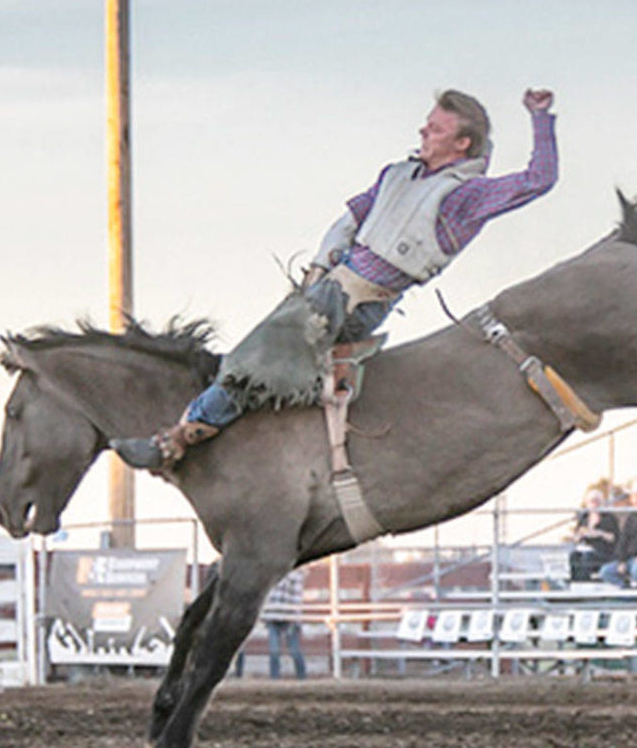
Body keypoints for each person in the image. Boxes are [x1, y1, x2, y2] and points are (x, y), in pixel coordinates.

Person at [114, 88, 559, 470]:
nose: (423, 133)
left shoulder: (465, 196)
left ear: (462, 144)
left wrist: (540, 118)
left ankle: (175, 441)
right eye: (426, 125)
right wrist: (318, 268)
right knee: (256, 353)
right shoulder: (397, 174)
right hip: (327, 285)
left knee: (260, 359)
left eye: (436, 130)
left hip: (360, 301)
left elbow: (539, 180)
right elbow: (351, 218)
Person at [263, 569, 307, 680]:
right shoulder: (274, 573)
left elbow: (297, 597)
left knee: (293, 651)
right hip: (274, 615)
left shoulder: (294, 575)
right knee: (274, 651)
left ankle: (301, 678)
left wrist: (295, 618)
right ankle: (275, 679)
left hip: (287, 616)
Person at [568, 488, 620, 581]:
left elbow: (614, 538)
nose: (594, 504)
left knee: (587, 557)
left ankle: (585, 584)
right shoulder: (584, 518)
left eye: (597, 501)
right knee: (574, 556)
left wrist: (599, 533)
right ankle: (576, 584)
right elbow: (575, 538)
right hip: (585, 549)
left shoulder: (609, 518)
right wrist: (580, 534)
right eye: (591, 501)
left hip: (603, 551)